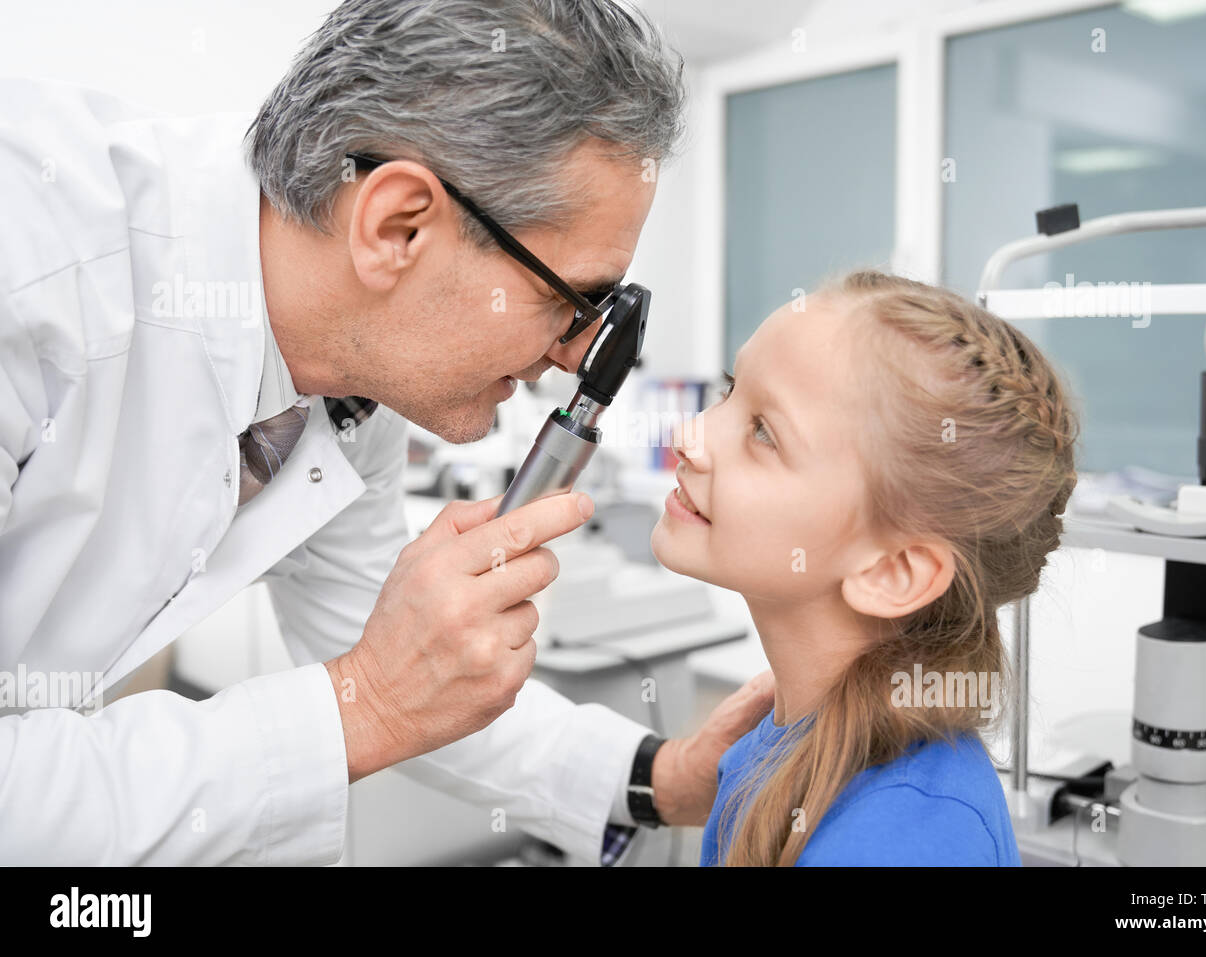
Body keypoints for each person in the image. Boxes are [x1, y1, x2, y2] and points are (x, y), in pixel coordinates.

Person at [0, 0, 773, 865]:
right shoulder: (29, 263)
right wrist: (362, 705)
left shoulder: (346, 388)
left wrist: (658, 777)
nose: (569, 359)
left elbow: (404, 663)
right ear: (397, 225)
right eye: (572, 302)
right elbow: (377, 685)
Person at [651, 269, 1079, 865]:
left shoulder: (906, 839)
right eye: (731, 389)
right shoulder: (767, 749)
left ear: (894, 571)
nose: (688, 435)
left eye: (764, 433)